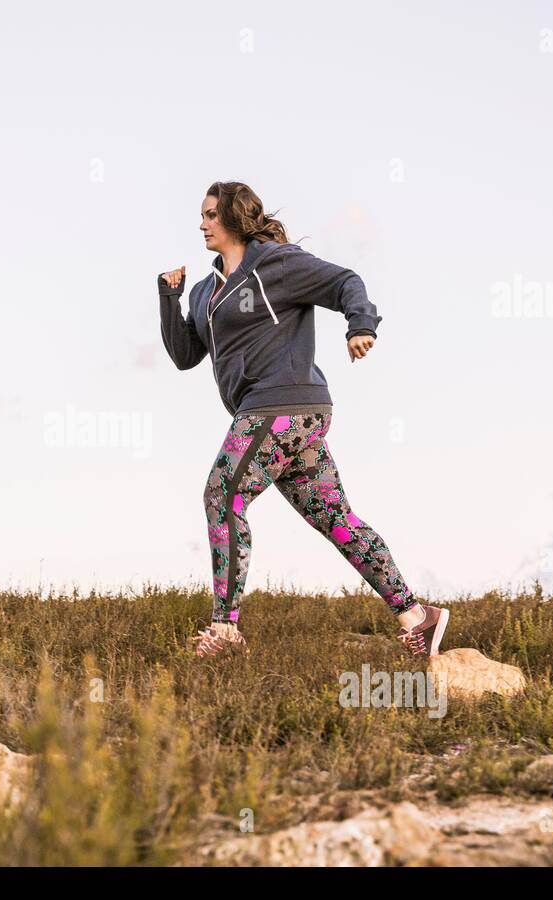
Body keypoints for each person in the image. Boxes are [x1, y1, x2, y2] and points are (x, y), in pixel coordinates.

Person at [158, 181, 448, 660]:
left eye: (211, 214)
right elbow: (186, 355)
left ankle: (225, 630)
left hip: (283, 407)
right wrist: (170, 297)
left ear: (234, 217)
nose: (203, 223)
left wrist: (360, 325)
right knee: (336, 519)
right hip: (282, 416)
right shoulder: (206, 291)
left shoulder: (276, 264)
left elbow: (344, 281)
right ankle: (418, 616)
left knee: (223, 494)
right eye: (202, 215)